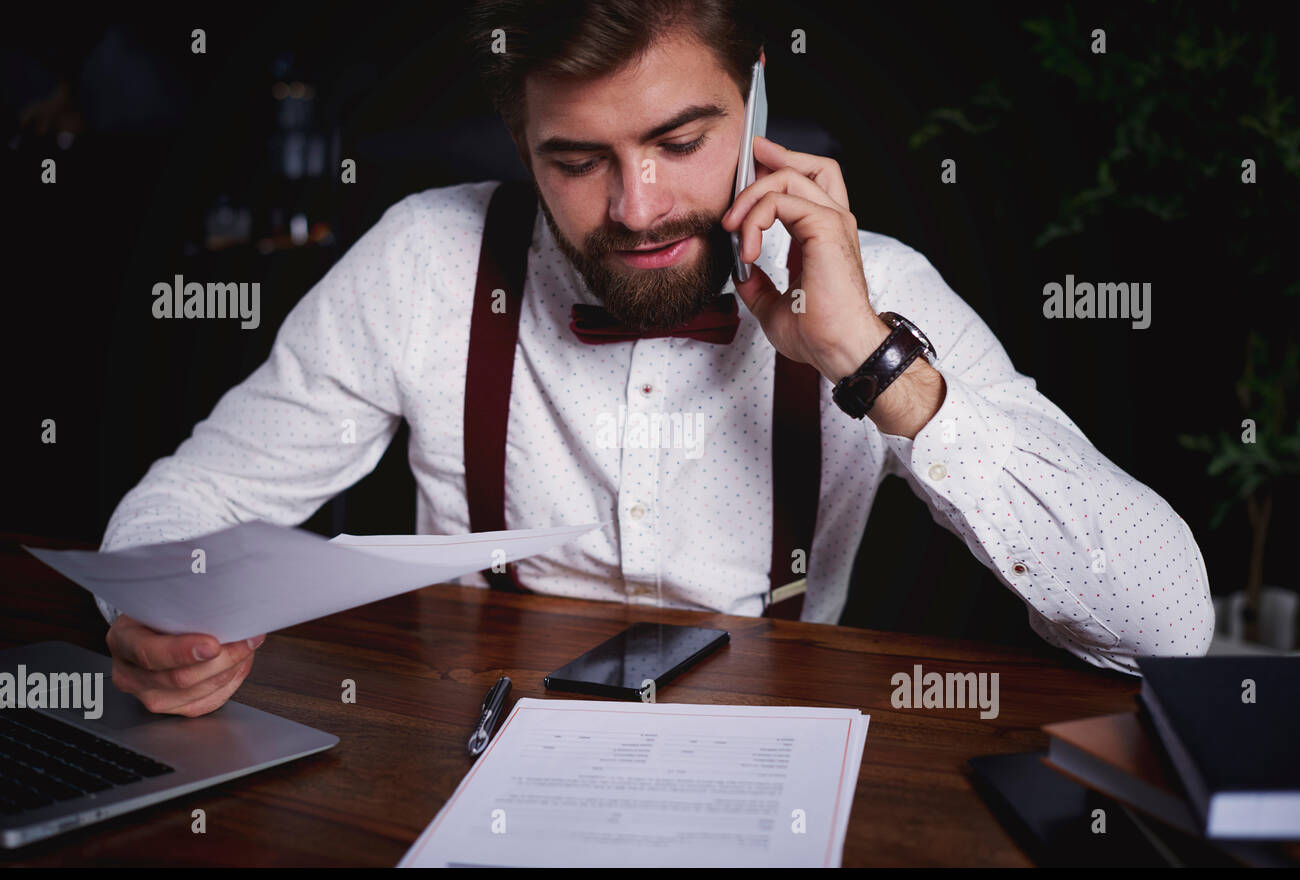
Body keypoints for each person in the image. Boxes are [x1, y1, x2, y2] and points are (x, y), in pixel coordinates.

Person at [98, 0, 1213, 717]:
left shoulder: (881, 292)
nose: (637, 208)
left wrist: (875, 367)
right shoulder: (421, 261)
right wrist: (159, 620)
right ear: (518, 135)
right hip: (462, 754)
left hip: (767, 779)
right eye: (576, 159)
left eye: (680, 143)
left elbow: (1165, 625)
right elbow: (187, 505)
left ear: (757, 96)